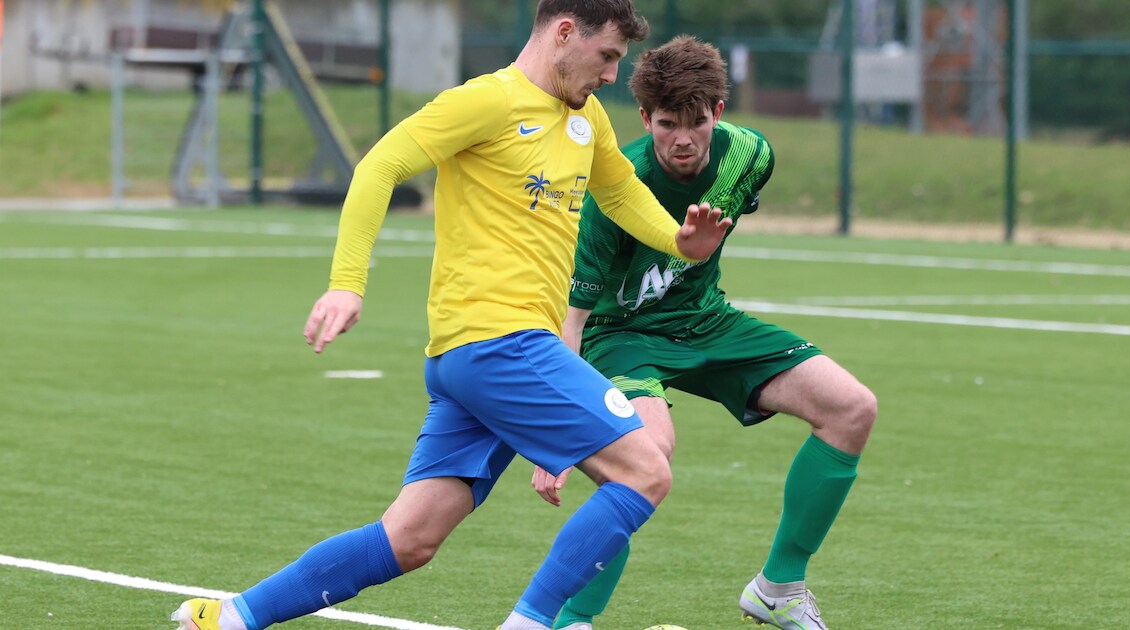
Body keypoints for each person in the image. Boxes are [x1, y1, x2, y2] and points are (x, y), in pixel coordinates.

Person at [170, 3, 733, 629]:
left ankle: (230, 616)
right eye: (606, 57)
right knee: (646, 469)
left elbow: (623, 192)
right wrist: (346, 285)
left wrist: (678, 242)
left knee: (409, 538)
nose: (609, 75)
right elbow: (379, 166)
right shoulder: (484, 102)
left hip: (478, 360)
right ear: (565, 34)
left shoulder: (587, 120)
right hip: (501, 343)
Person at [528, 36, 877, 630]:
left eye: (697, 122)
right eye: (667, 124)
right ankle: (571, 619)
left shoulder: (751, 156)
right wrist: (554, 433)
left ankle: (778, 588)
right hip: (619, 334)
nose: (682, 139)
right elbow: (573, 319)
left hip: (705, 320)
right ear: (645, 118)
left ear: (718, 111)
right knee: (648, 455)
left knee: (852, 408)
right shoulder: (616, 187)